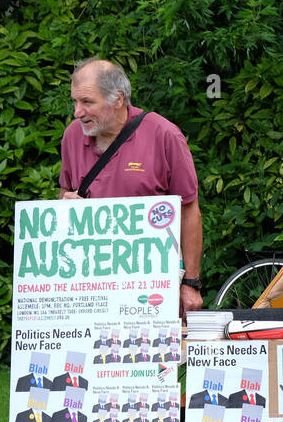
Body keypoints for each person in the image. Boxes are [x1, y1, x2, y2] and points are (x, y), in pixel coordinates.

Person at [59, 58, 204, 313]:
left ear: (117, 99)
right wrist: (64, 206)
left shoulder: (164, 135)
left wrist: (191, 283)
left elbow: (189, 210)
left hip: (151, 287)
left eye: (87, 102)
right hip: (89, 287)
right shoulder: (72, 135)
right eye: (75, 101)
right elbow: (65, 193)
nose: (77, 112)